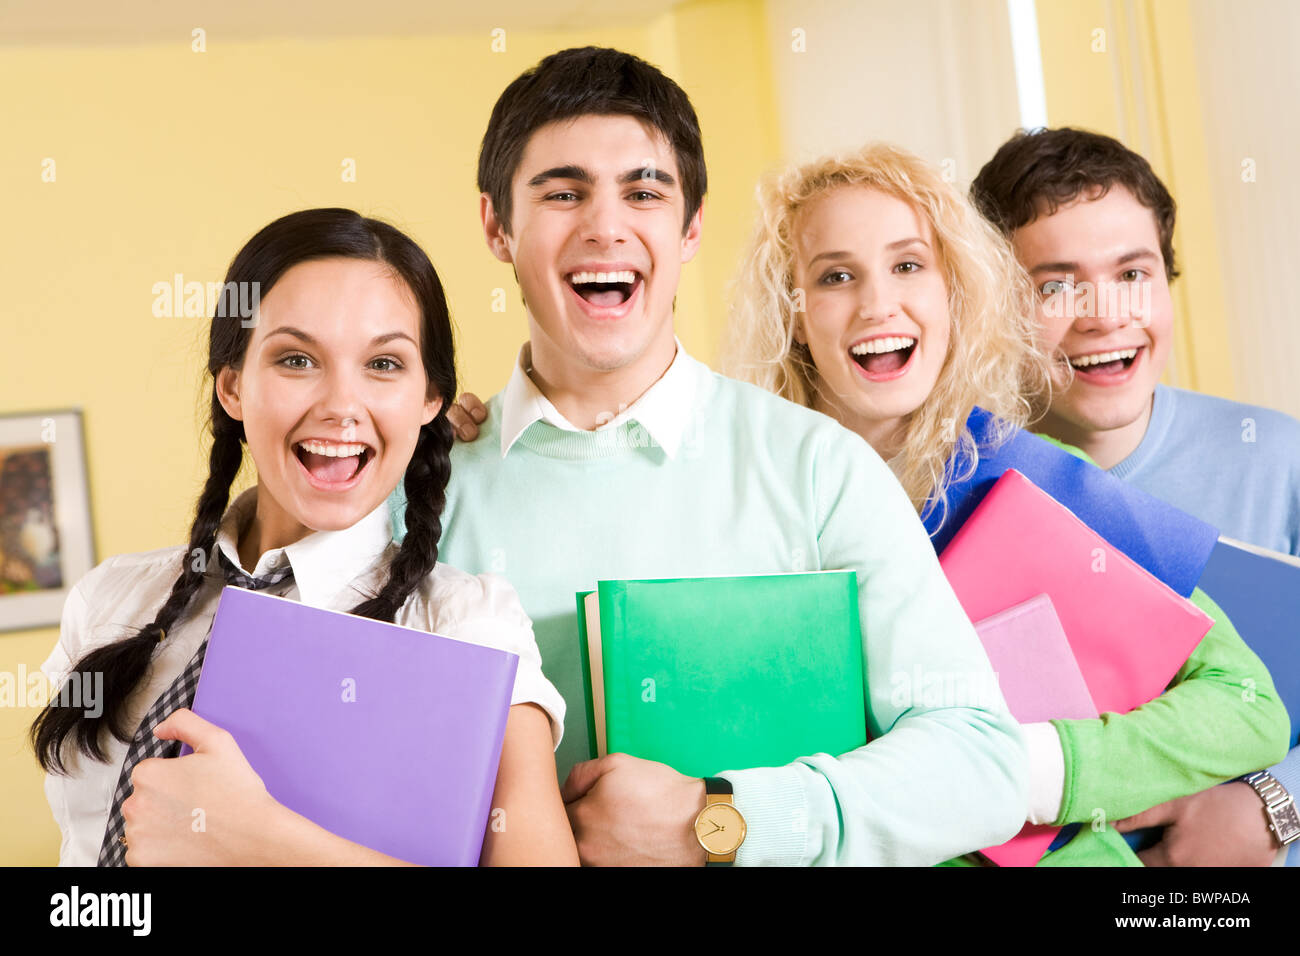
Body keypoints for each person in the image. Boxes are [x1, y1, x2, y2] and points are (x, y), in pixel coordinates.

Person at [410, 45, 1029, 867]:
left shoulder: (819, 469)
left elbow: (982, 764)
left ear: (691, 226)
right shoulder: (421, 486)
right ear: (497, 225)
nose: (605, 225)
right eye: (563, 193)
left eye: (644, 192)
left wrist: (722, 822)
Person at [717, 141, 1288, 866]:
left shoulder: (1033, 478)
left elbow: (1246, 705)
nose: (878, 302)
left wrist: (1027, 772)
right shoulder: (747, 513)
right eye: (836, 276)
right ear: (795, 312)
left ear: (952, 291)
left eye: (908, 265)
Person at [31, 208, 577, 867]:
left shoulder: (467, 627)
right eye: (296, 359)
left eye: (383, 363)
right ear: (233, 385)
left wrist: (260, 840)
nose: (341, 405)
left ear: (429, 398)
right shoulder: (109, 599)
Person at [972, 127, 1300, 866]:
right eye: (1054, 285)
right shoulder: (960, 491)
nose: (1104, 314)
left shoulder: (1277, 459)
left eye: (1132, 274)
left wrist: (1276, 805)